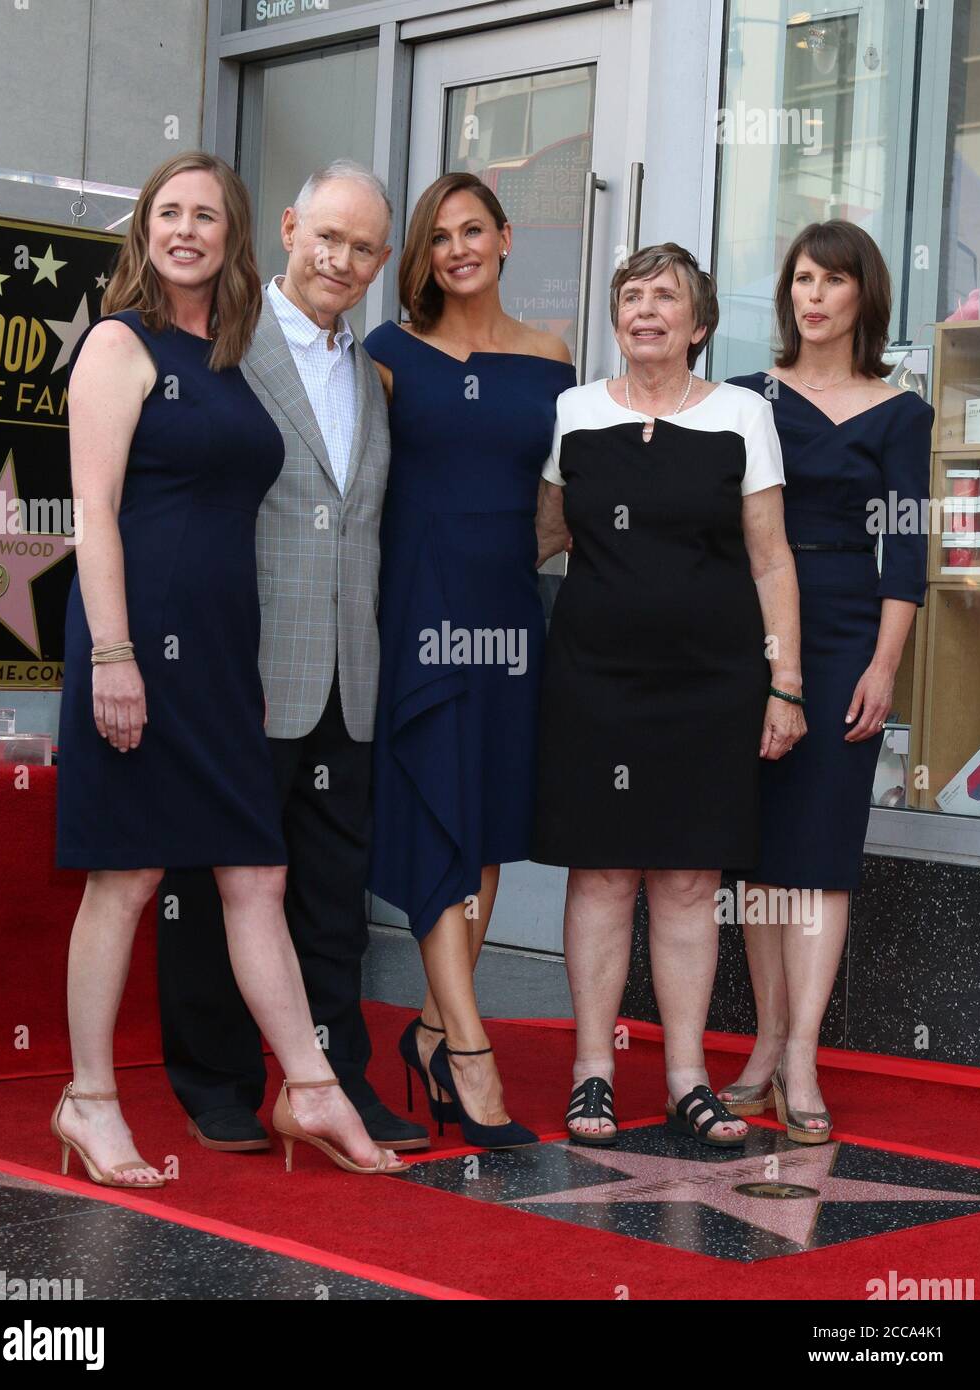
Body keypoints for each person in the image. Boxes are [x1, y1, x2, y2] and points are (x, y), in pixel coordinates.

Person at [53, 151, 404, 1185]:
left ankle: (308, 1085)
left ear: (236, 233)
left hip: (218, 650)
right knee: (126, 879)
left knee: (257, 870)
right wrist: (114, 655)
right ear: (145, 228)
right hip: (135, 638)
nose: (188, 230)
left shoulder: (233, 350)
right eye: (169, 212)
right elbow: (94, 517)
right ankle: (88, 1098)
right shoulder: (119, 345)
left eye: (207, 215)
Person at [157, 161, 428, 1155]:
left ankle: (334, 1078)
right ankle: (216, 1080)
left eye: (362, 247)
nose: (341, 260)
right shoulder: (221, 347)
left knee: (329, 900)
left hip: (345, 678)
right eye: (327, 237)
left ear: (381, 261)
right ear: (285, 227)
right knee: (213, 885)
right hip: (239, 665)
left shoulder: (372, 372)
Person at [533, 244, 805, 1148]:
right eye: (632, 295)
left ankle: (688, 1078)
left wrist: (786, 684)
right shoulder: (573, 410)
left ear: (699, 323)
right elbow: (542, 535)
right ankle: (593, 1074)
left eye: (666, 297)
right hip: (595, 680)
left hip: (713, 684)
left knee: (689, 879)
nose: (646, 309)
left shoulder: (740, 415)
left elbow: (770, 556)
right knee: (603, 872)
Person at [363, 173, 576, 1148]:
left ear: (503, 238)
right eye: (437, 236)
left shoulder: (550, 355)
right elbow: (356, 485)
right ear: (423, 253)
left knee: (483, 826)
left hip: (505, 609)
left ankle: (432, 1032)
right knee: (439, 814)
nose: (456, 248)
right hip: (417, 601)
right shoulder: (388, 355)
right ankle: (469, 1052)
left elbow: (558, 496)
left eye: (472, 230)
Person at [719, 221, 932, 1143]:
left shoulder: (901, 410)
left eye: (832, 281)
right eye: (801, 278)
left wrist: (885, 667)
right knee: (761, 852)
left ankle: (801, 1053)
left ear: (862, 297)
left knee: (821, 848)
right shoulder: (745, 398)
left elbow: (908, 550)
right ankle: (764, 1045)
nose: (812, 295)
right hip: (754, 632)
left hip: (849, 629)